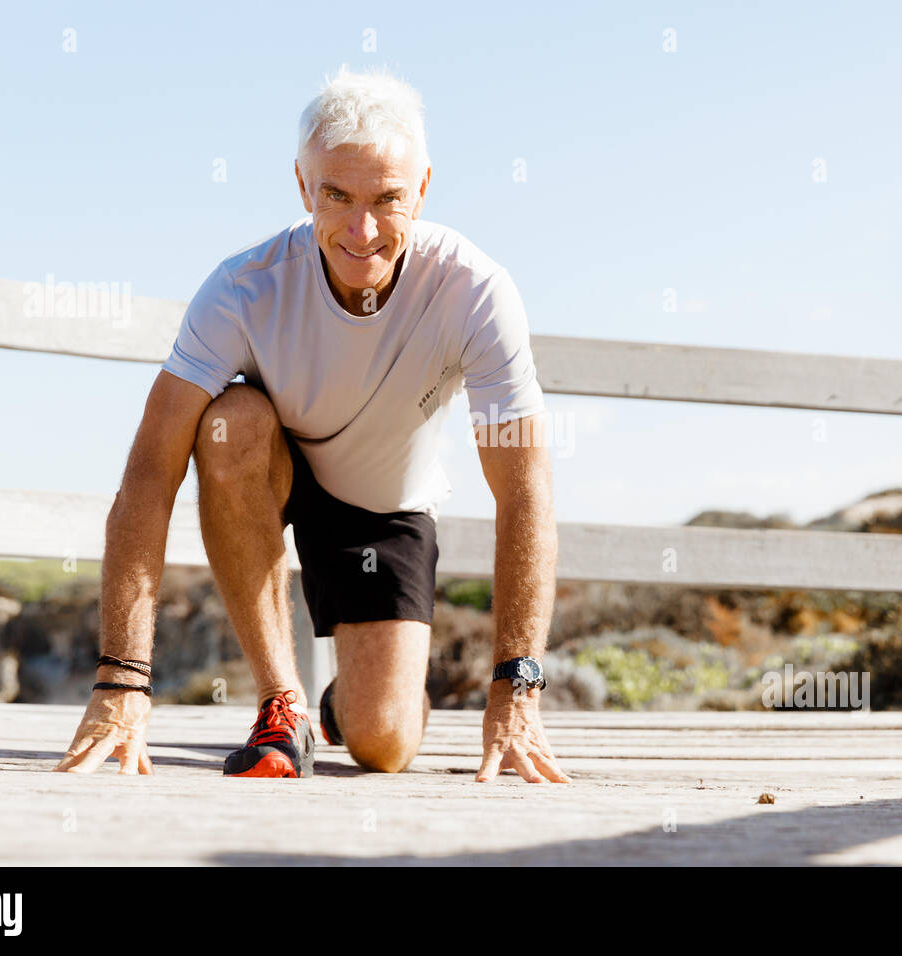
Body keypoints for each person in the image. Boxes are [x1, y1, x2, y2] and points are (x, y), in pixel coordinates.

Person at [54, 64, 568, 784]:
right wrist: (121, 681)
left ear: (422, 188)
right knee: (229, 422)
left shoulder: (475, 291)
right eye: (336, 195)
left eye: (388, 199)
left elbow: (526, 491)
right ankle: (281, 702)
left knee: (383, 745)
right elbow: (149, 473)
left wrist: (517, 687)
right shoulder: (242, 288)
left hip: (382, 505)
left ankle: (346, 700)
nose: (362, 231)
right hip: (272, 467)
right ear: (303, 186)